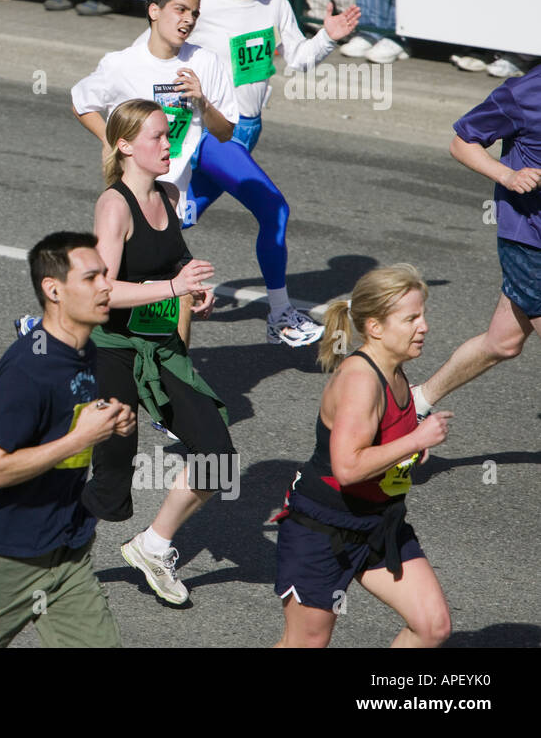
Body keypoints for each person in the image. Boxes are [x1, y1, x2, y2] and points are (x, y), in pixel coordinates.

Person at [0, 232, 137, 647]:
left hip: (68, 551)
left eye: (105, 275)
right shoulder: (28, 371)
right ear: (54, 289)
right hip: (7, 559)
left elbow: (69, 423)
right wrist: (81, 438)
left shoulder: (85, 352)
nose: (106, 286)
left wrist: (111, 422)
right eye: (92, 278)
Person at [79, 100, 236, 606]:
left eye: (168, 135)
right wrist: (172, 286)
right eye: (157, 138)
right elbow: (103, 292)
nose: (169, 145)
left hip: (162, 348)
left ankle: (153, 546)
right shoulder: (115, 205)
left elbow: (174, 260)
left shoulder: (168, 194)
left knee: (217, 457)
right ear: (125, 146)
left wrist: (194, 288)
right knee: (113, 470)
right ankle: (51, 554)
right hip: (116, 349)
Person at [187, 0, 360, 345]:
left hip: (248, 130)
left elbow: (297, 58)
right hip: (211, 134)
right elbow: (158, 45)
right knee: (273, 209)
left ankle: (67, 307)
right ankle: (280, 314)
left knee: (171, 219)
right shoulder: (201, 5)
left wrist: (327, 37)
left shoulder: (274, 1)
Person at [273, 264, 452, 647]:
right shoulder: (360, 380)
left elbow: (379, 446)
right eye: (412, 318)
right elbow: (349, 467)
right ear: (375, 327)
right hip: (322, 528)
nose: (424, 326)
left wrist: (406, 451)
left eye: (423, 315)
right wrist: (414, 440)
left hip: (377, 523)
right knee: (306, 644)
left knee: (431, 625)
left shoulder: (396, 371)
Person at [409, 64, 541, 419]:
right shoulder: (524, 93)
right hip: (530, 241)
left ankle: (416, 403)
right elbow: (462, 141)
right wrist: (508, 175)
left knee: (503, 342)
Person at [72, 0, 238, 228]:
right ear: (154, 11)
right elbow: (81, 102)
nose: (188, 20)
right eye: (180, 9)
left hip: (175, 193)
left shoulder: (205, 63)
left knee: (158, 264)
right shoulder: (121, 64)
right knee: (131, 259)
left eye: (194, 14)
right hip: (131, 191)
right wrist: (108, 139)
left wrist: (202, 102)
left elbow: (225, 132)